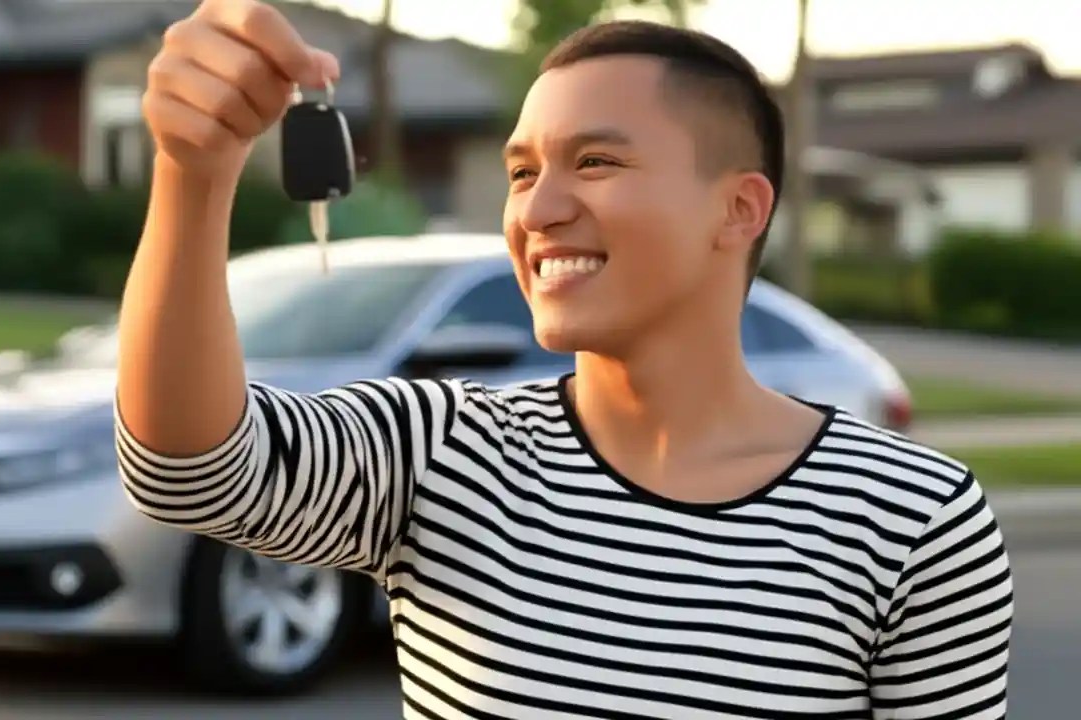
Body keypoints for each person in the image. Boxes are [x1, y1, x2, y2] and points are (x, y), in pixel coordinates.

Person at [114, 0, 1014, 717]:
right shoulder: (443, 453)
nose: (536, 211)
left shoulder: (915, 521)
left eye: (593, 162)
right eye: (519, 172)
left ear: (739, 210)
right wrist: (194, 172)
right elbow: (188, 473)